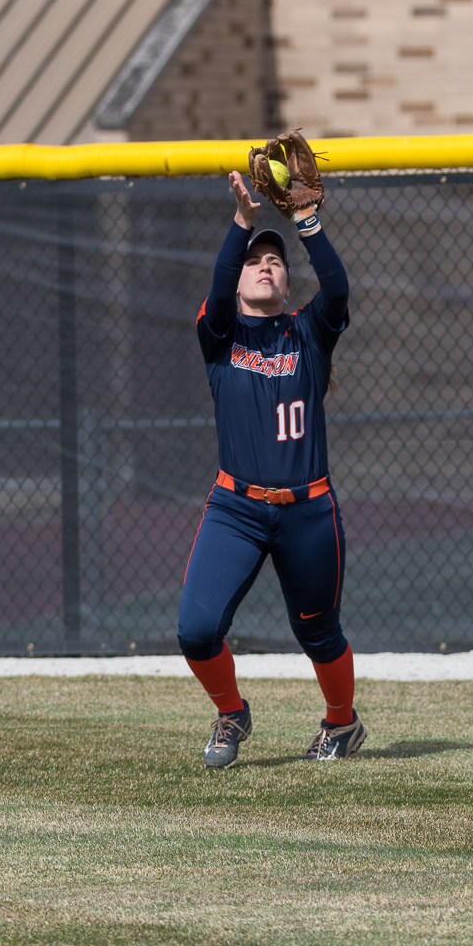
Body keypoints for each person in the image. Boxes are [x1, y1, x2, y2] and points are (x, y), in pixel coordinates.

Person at [177, 168, 361, 768]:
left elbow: (336, 291)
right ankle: (231, 713)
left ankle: (342, 724)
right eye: (255, 261)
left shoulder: (307, 334)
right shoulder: (220, 336)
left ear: (286, 285)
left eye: (275, 263)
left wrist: (306, 222)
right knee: (196, 630)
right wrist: (242, 224)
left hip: (308, 510)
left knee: (318, 631)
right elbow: (221, 278)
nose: (264, 266)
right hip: (237, 509)